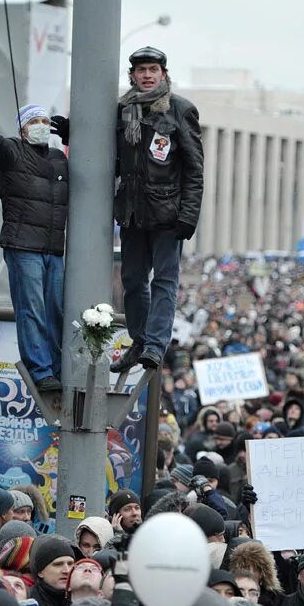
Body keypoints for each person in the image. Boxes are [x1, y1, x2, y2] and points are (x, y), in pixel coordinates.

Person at [0, 64, 68, 392]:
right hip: (23, 245)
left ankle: (59, 369)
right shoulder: (12, 151)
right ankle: (41, 370)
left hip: (55, 248)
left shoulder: (59, 158)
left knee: (57, 309)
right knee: (33, 310)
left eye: (44, 120)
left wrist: (72, 138)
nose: (40, 126)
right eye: (33, 122)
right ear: (22, 129)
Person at [110, 46, 204, 373]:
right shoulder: (121, 111)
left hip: (168, 213)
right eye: (141, 70)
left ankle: (155, 345)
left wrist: (188, 216)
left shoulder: (180, 110)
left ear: (163, 74)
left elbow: (194, 169)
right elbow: (107, 150)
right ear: (132, 75)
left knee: (164, 280)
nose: (147, 75)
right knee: (133, 280)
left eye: (153, 70)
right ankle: (140, 340)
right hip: (133, 212)